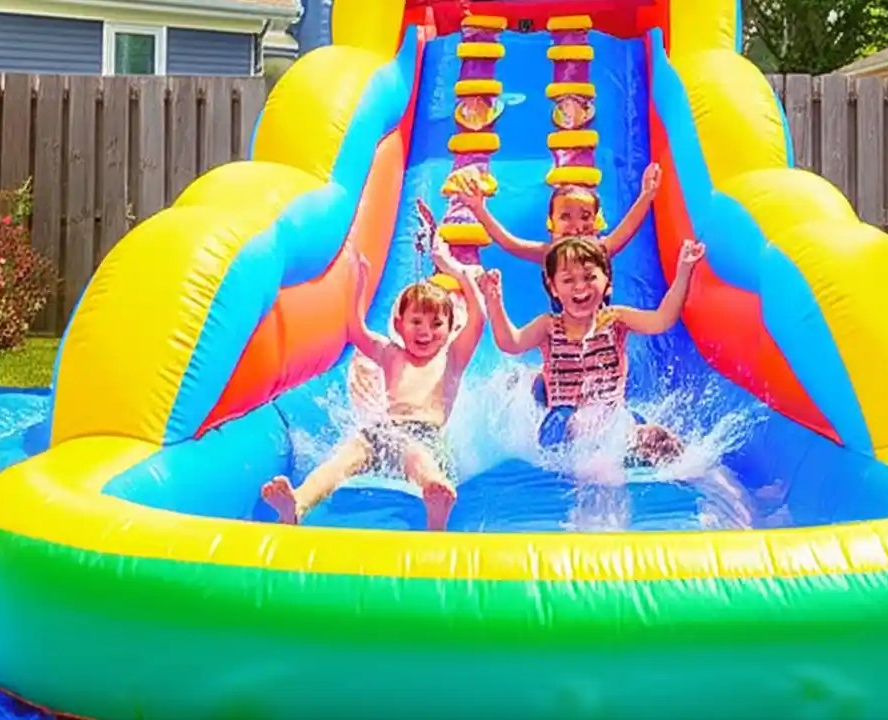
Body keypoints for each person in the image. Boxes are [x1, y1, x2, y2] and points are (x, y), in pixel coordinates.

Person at [260, 240, 486, 531]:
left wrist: (456, 271)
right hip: (384, 431)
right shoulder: (391, 353)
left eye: (436, 323)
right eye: (416, 321)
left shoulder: (452, 358)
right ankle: (297, 504)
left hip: (424, 438)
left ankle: (436, 501)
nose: (426, 331)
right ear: (399, 323)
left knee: (416, 458)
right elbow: (356, 330)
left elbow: (478, 319)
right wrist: (359, 284)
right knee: (340, 461)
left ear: (451, 327)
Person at [475, 235, 706, 467]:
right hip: (563, 423)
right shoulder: (548, 326)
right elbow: (510, 343)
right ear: (553, 288)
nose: (580, 286)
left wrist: (684, 269)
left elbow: (661, 320)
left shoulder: (615, 320)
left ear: (607, 282)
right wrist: (494, 302)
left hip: (612, 415)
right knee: (584, 432)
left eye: (590, 277)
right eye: (568, 280)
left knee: (661, 441)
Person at [456, 163, 661, 263]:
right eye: (565, 216)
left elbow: (628, 228)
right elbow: (508, 242)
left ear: (596, 221)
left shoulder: (601, 249)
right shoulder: (548, 253)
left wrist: (646, 195)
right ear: (551, 223)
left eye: (585, 216)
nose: (577, 226)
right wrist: (478, 209)